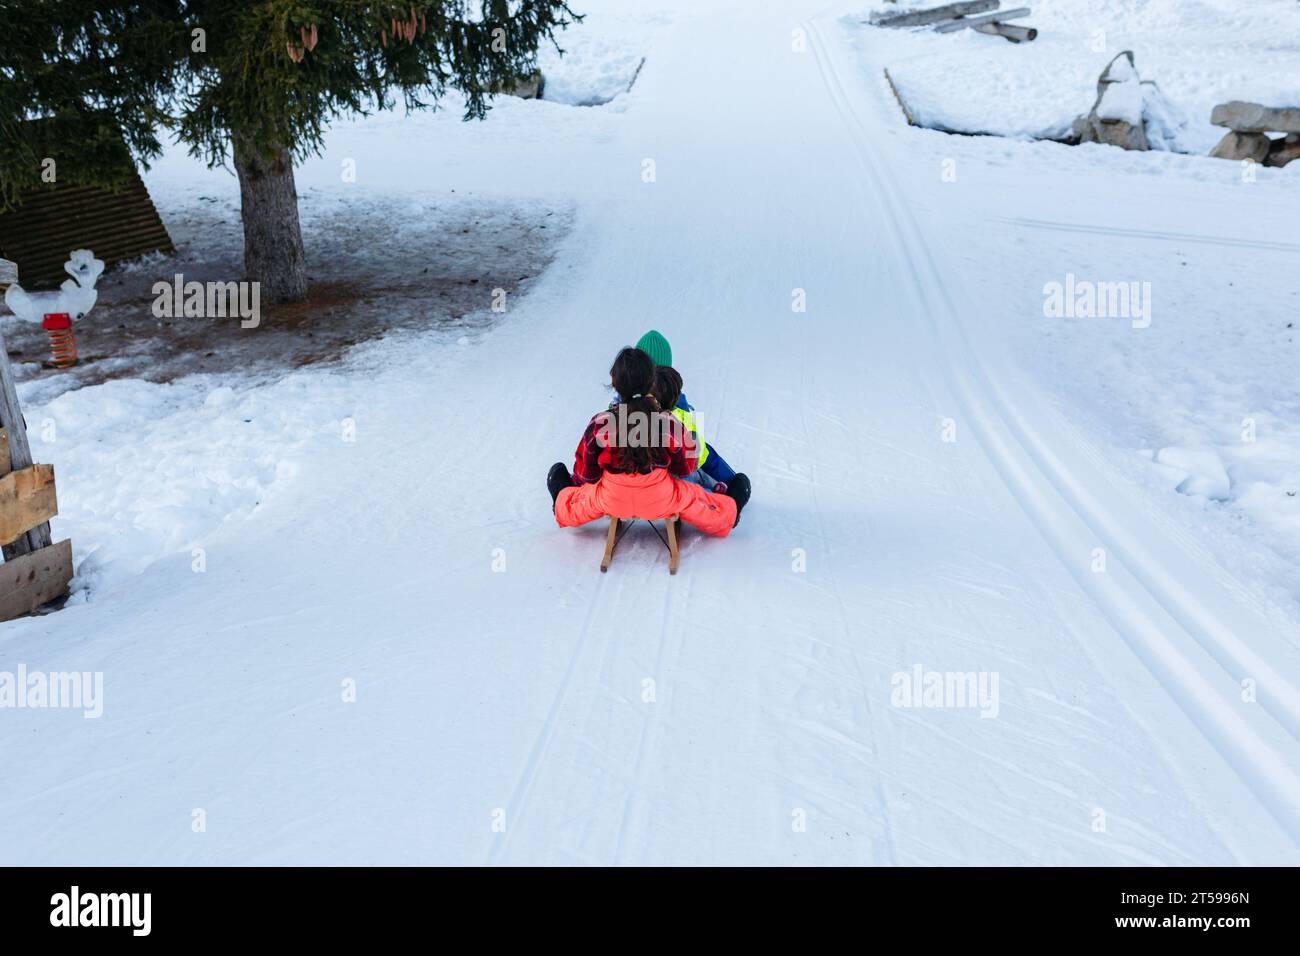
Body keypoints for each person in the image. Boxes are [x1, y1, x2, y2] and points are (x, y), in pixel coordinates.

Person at [547, 347, 748, 535]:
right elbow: (686, 469)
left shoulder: (600, 423)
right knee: (693, 496)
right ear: (651, 381)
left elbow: (586, 475)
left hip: (612, 500)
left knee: (586, 499)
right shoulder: (669, 423)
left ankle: (562, 502)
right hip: (661, 501)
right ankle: (730, 509)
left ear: (615, 384)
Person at [635, 329, 744, 493]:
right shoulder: (675, 407)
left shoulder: (625, 400)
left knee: (692, 461)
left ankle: (727, 486)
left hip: (638, 478)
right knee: (685, 474)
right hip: (659, 478)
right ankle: (719, 498)